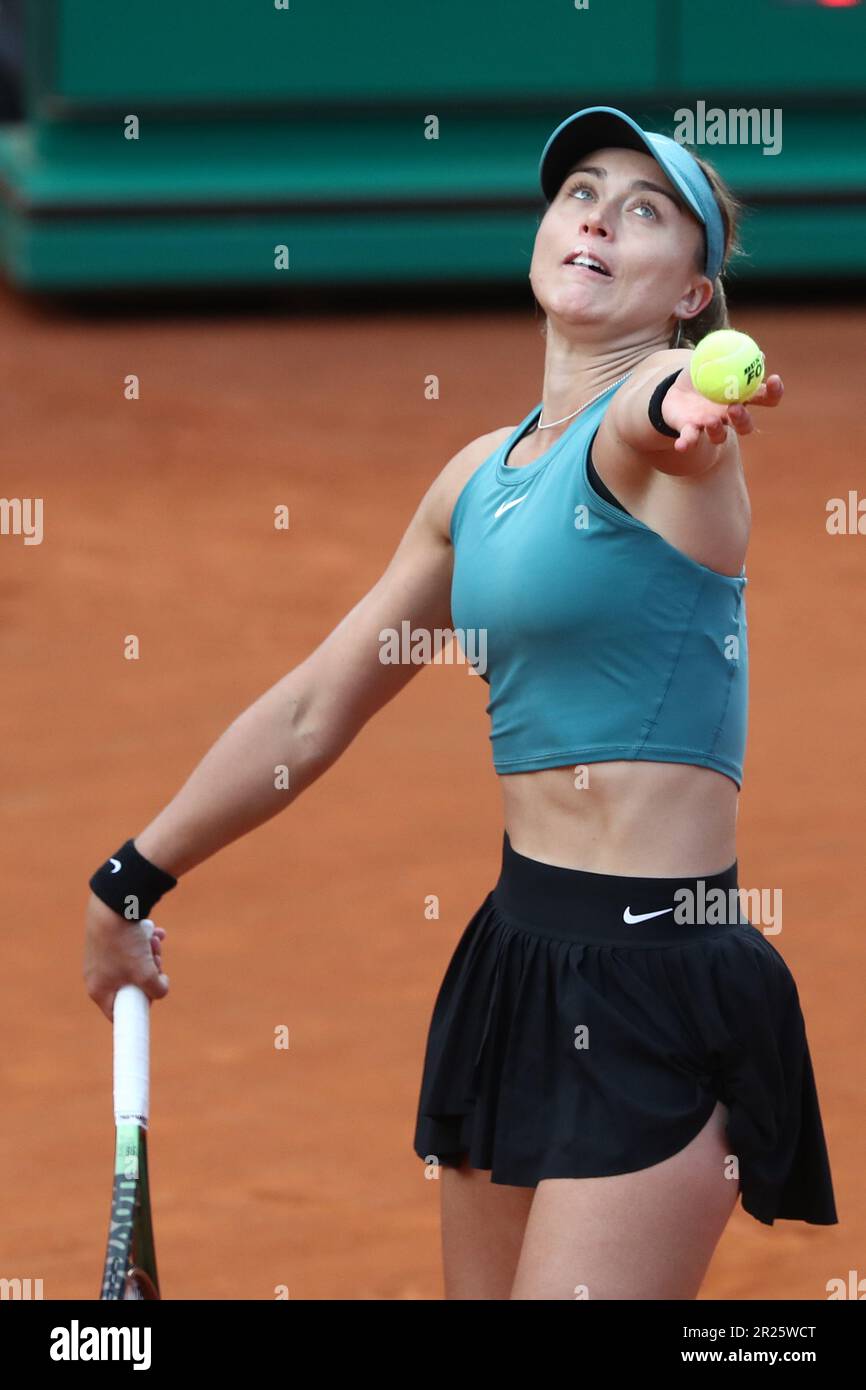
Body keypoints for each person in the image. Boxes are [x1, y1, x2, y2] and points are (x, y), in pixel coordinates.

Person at [85, 105, 838, 1301]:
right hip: (516, 963)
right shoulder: (473, 481)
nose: (597, 213)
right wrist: (132, 876)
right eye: (580, 190)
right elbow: (311, 710)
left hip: (659, 981)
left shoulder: (666, 425)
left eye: (645, 210)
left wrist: (689, 408)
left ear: (691, 292)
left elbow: (667, 414)